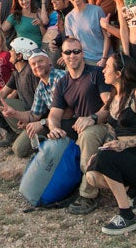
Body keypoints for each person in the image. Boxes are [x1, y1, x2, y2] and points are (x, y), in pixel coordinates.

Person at [84, 54, 136, 235]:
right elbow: (112, 131)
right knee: (92, 176)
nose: (103, 70)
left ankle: (127, 216)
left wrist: (125, 145)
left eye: (107, 67)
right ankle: (133, 189)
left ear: (119, 73)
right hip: (122, 157)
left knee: (105, 160)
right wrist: (102, 150)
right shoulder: (113, 96)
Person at [46, 37, 112, 216]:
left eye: (76, 51)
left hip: (103, 126)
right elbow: (54, 115)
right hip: (79, 126)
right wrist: (53, 128)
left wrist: (93, 117)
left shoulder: (96, 74)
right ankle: (59, 186)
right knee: (52, 134)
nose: (72, 55)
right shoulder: (63, 83)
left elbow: (110, 105)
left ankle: (89, 194)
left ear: (82, 53)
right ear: (62, 56)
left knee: (87, 135)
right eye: (68, 52)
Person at [0, 33, 35, 149]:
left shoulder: (31, 72)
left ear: (20, 56)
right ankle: (17, 133)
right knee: (0, 101)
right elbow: (2, 92)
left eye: (13, 50)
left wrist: (28, 118)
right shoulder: (16, 73)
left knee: (19, 150)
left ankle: (24, 135)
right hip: (25, 112)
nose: (10, 52)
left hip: (34, 115)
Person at [63, 0, 107, 66]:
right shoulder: (69, 18)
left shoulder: (97, 11)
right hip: (84, 60)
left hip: (102, 57)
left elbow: (106, 37)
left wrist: (104, 58)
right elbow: (73, 44)